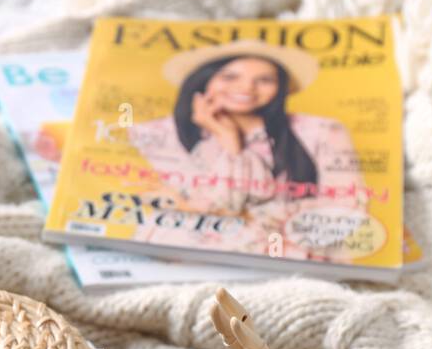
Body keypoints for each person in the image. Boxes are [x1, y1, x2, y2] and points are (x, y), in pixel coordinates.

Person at [130, 40, 364, 258]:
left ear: (280, 87)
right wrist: (229, 141)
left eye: (264, 80)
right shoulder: (159, 134)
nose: (246, 88)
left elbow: (348, 206)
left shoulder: (322, 131)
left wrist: (250, 217)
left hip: (286, 257)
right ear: (204, 80)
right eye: (230, 77)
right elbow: (215, 205)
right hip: (188, 255)